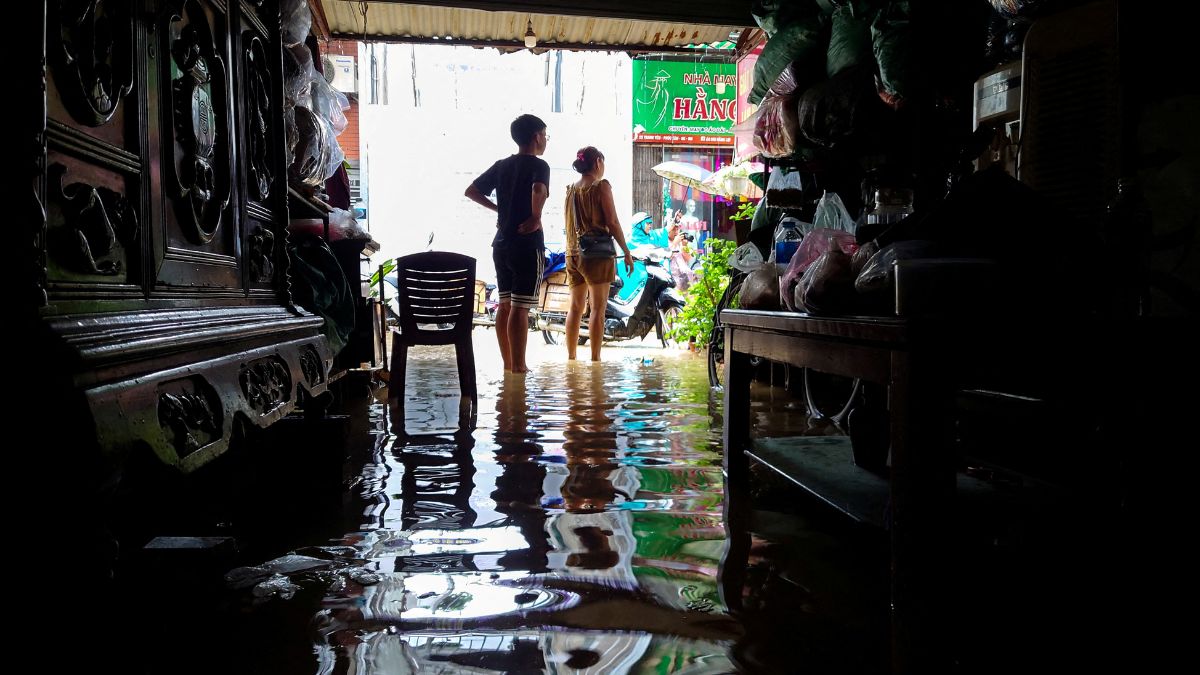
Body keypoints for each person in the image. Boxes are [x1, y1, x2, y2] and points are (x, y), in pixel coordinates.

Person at [464, 114, 550, 373]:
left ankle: (508, 365)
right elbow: (538, 189)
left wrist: (499, 210)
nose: (545, 139)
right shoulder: (540, 165)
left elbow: (472, 190)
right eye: (545, 134)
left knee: (505, 304)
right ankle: (519, 366)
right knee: (520, 308)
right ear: (536, 137)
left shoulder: (501, 165)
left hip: (501, 245)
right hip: (527, 244)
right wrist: (535, 217)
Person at [563, 146, 634, 362]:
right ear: (598, 163)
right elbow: (612, 222)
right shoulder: (600, 186)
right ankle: (595, 360)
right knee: (598, 309)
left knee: (575, 308)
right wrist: (627, 252)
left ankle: (572, 358)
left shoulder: (570, 190)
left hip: (572, 254)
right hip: (596, 255)